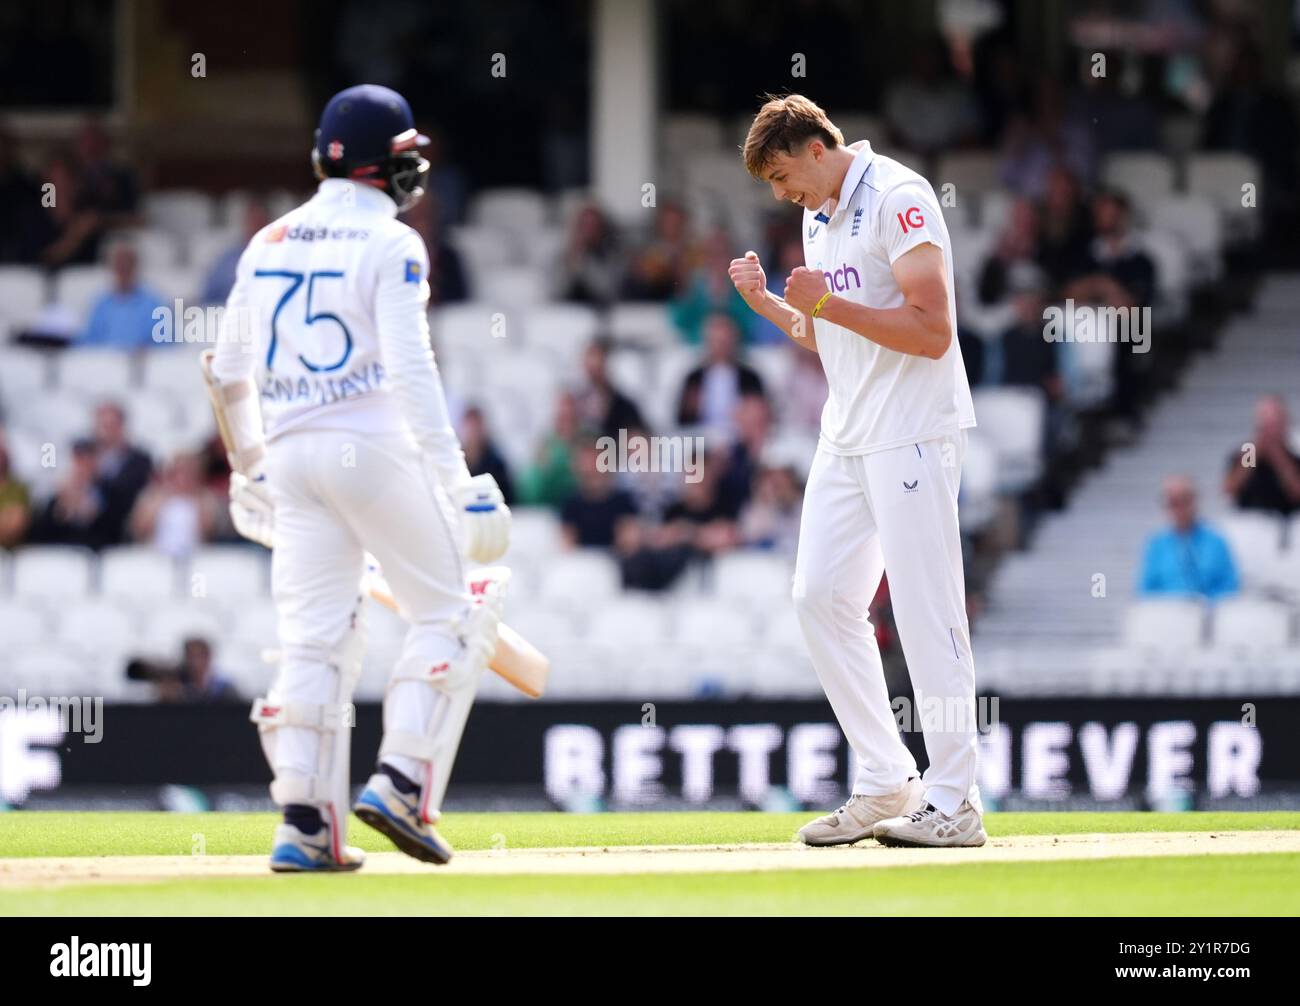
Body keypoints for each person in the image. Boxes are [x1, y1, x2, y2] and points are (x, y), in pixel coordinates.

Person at [207, 84, 512, 872]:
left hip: (291, 459)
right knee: (457, 610)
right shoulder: (393, 242)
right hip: (370, 450)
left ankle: (305, 822)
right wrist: (461, 481)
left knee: (312, 643)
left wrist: (248, 468)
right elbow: (412, 372)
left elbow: (227, 369)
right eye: (408, 155)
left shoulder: (267, 240)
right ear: (389, 163)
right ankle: (402, 780)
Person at [731, 94, 984, 848]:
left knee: (924, 612)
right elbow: (829, 335)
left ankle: (955, 802)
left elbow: (934, 331)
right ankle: (884, 779)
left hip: (911, 434)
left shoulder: (900, 198)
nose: (781, 195)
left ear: (815, 146)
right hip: (848, 433)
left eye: (782, 175)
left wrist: (829, 305)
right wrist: (769, 305)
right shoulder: (819, 211)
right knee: (819, 597)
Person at [1138, 476, 1239, 600]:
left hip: (1209, 614)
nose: (1179, 509)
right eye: (1173, 503)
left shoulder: (1216, 541)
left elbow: (1229, 585)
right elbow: (1146, 589)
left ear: (1194, 501)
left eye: (1184, 501)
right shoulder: (1156, 544)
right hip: (1168, 613)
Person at [1224, 395, 1300, 517]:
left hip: (1287, 520)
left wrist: (1278, 456)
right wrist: (1254, 452)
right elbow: (1230, 490)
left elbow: (1296, 492)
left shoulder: (1293, 456)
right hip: (1249, 519)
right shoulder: (1247, 453)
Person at [80, 242, 165, 350]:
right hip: (104, 363)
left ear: (136, 267)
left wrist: (149, 350)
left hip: (144, 364)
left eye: (128, 264)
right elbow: (87, 342)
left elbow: (167, 344)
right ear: (113, 268)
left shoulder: (154, 304)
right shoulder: (100, 305)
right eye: (120, 265)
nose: (124, 270)